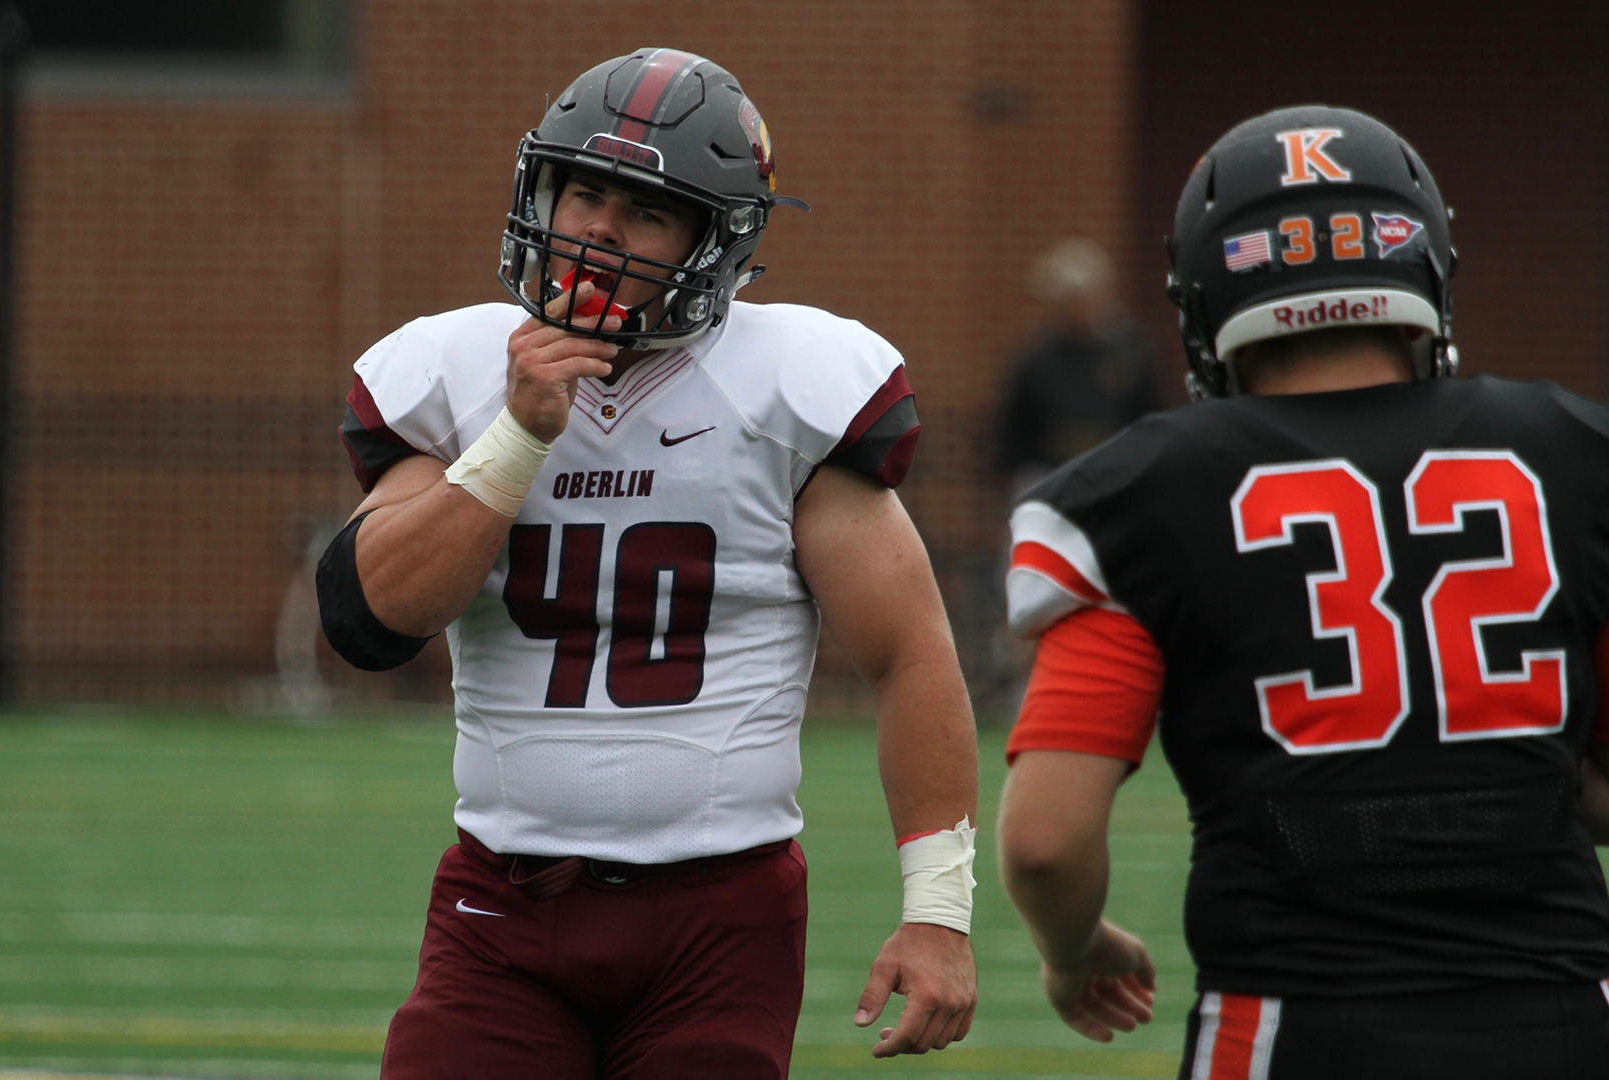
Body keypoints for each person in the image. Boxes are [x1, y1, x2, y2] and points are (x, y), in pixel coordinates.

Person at [318, 49, 979, 1078]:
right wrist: (515, 437)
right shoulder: (453, 375)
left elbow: (911, 655)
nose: (596, 232)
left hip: (719, 921)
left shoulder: (787, 389)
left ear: (714, 244)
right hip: (503, 901)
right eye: (583, 192)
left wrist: (937, 911)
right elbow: (369, 620)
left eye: (646, 211)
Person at [997, 104, 1609, 1080]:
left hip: (1297, 1019)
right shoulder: (1574, 454)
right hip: (1562, 1018)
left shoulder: (1145, 491)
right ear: (1423, 264)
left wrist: (1074, 955)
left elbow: (1044, 844)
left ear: (1202, 290)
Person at [992, 237, 1161, 500]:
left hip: (1114, 481)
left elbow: (1149, 419)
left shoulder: (1128, 357)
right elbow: (1013, 432)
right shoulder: (1037, 362)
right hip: (1050, 481)